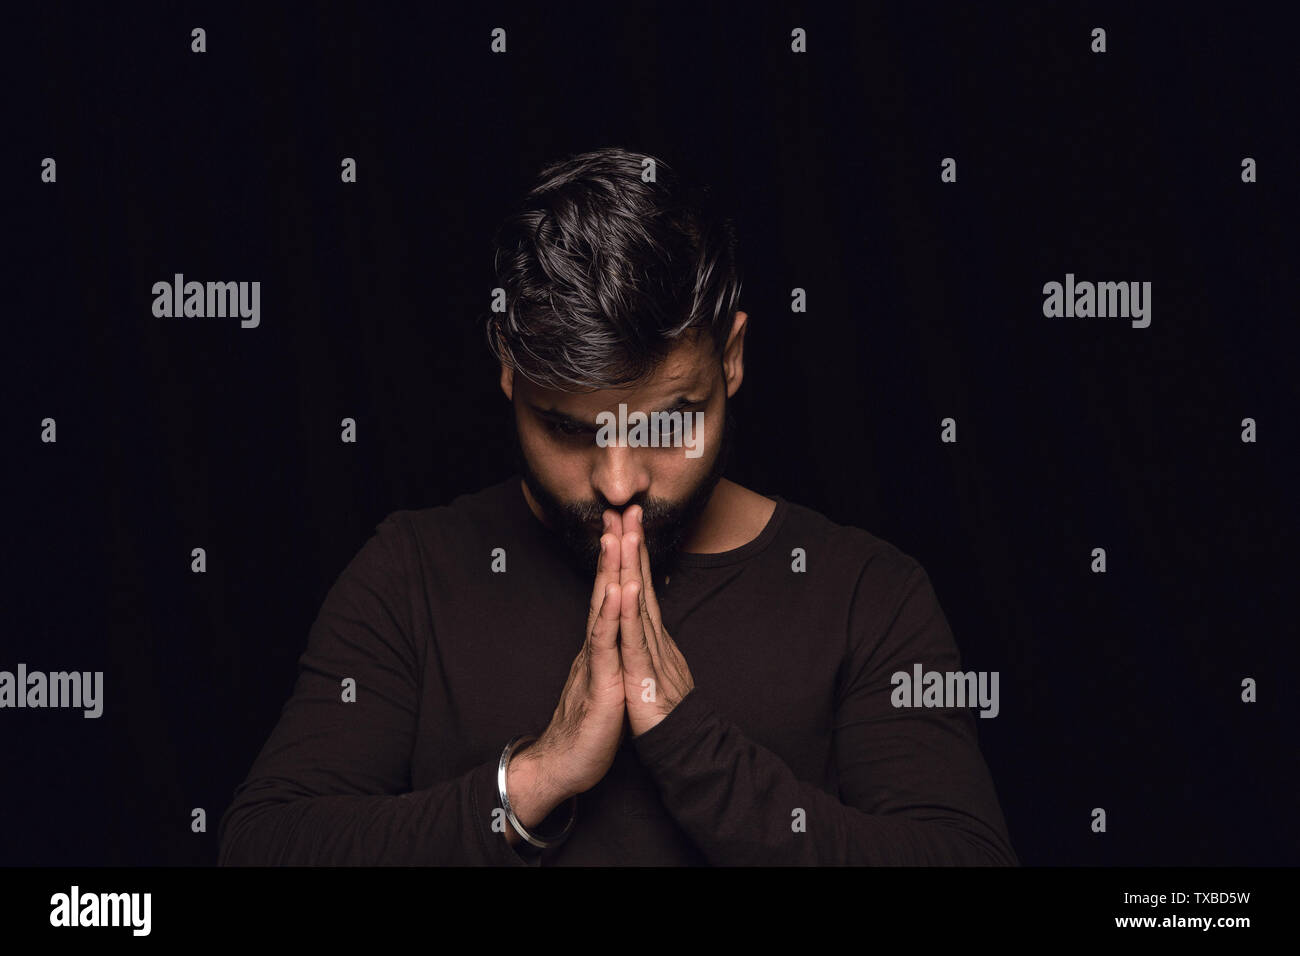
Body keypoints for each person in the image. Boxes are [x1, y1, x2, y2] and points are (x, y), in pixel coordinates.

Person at [217, 146, 1017, 866]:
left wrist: (694, 751)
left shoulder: (867, 594)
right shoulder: (411, 572)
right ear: (508, 372)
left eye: (668, 423)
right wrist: (532, 781)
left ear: (731, 359)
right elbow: (262, 847)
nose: (619, 481)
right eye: (570, 430)